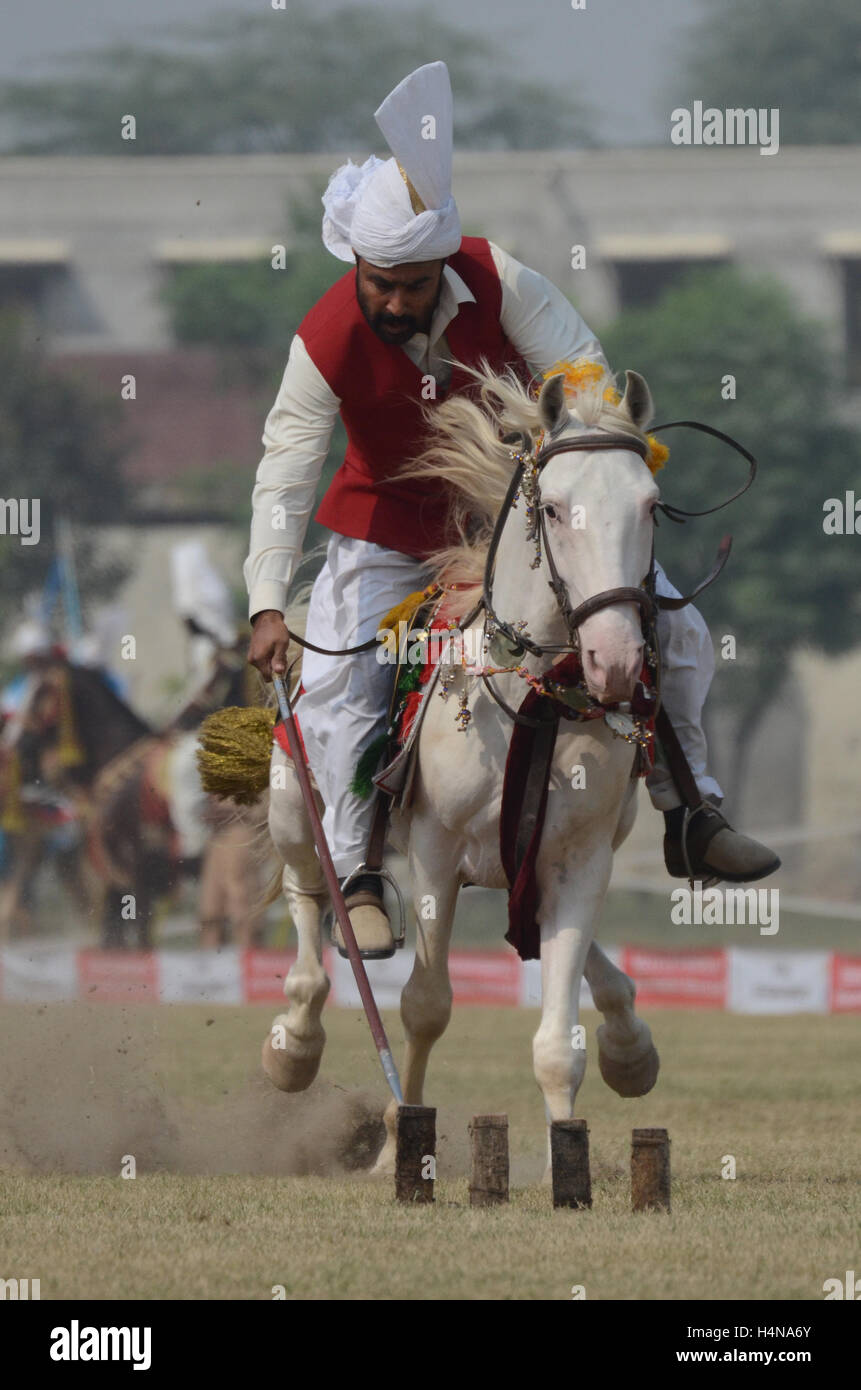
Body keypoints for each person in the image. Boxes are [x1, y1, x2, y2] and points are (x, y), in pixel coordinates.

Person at [245, 62, 779, 959]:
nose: (395, 300)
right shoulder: (325, 335)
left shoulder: (502, 279)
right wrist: (266, 600)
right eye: (380, 281)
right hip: (383, 535)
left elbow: (583, 372)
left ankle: (691, 813)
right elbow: (287, 470)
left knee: (678, 633)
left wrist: (591, 454)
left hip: (518, 522)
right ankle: (361, 877)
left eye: (412, 283)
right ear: (358, 265)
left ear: (441, 263)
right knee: (341, 687)